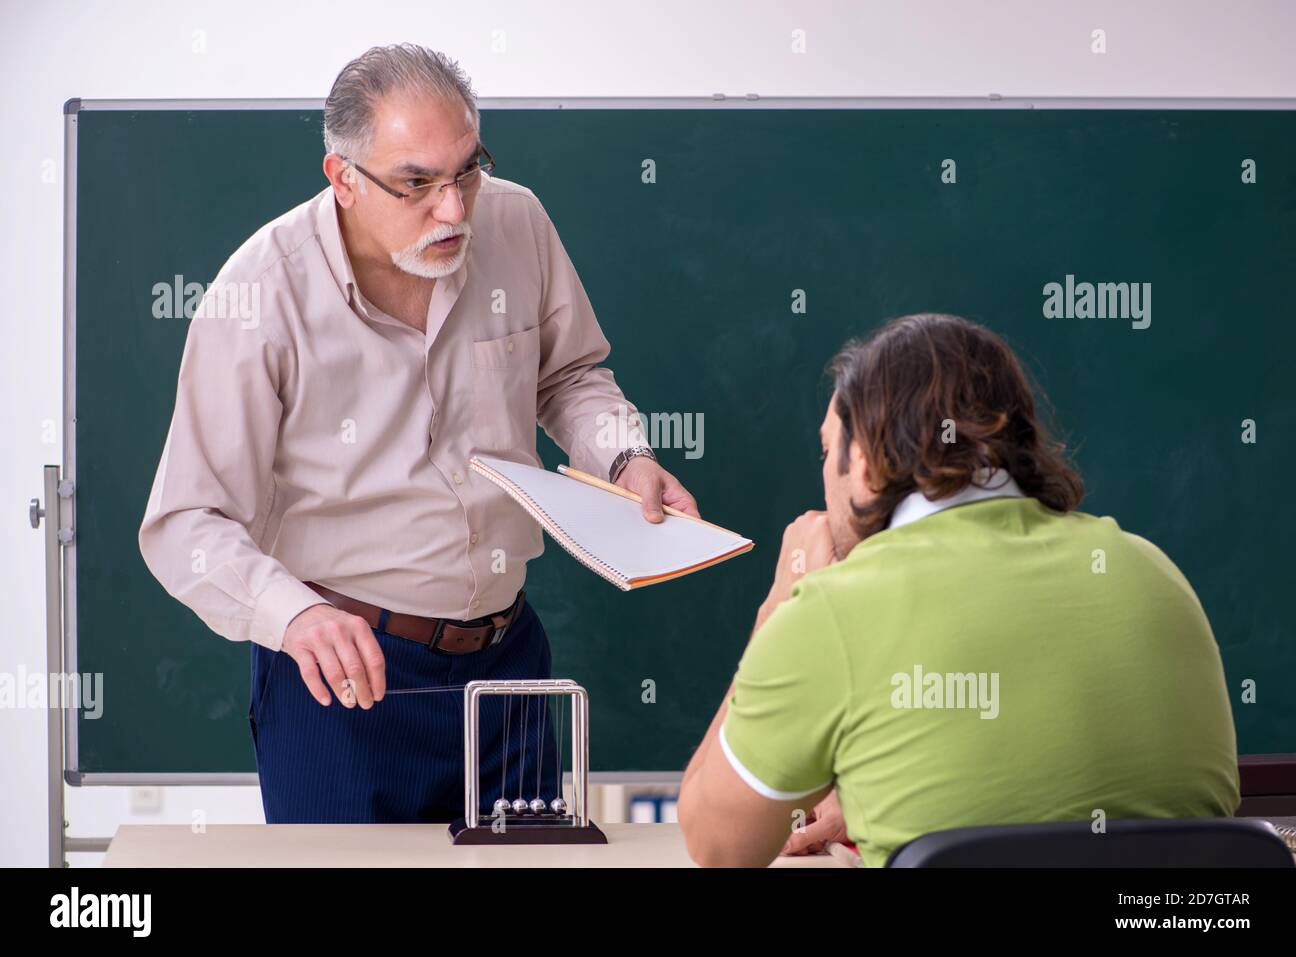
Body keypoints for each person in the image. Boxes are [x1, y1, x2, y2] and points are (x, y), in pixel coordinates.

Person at [139, 44, 696, 823]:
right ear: (343, 180)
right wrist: (293, 616)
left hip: (509, 666)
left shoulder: (517, 220)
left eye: (468, 168)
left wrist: (625, 455)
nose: (455, 209)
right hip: (342, 677)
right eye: (417, 183)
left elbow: (567, 376)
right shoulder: (260, 294)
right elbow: (185, 523)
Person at [678, 313, 1239, 867]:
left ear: (866, 460)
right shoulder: (1156, 575)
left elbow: (717, 843)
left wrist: (780, 603)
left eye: (829, 452)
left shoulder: (833, 609)